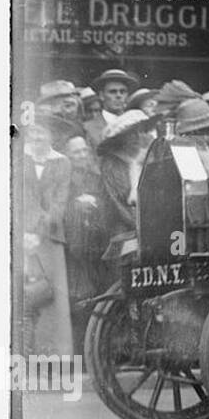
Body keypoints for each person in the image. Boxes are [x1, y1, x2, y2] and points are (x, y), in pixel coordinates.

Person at [19, 118, 73, 358]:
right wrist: (27, 230)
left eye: (43, 133)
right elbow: (21, 195)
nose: (38, 138)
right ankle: (25, 354)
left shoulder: (62, 162)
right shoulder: (19, 159)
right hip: (21, 233)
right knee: (26, 293)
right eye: (34, 132)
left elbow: (61, 199)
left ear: (52, 136)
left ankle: (54, 358)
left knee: (54, 297)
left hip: (51, 235)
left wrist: (42, 228)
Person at [61, 134, 109, 355]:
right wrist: (76, 206)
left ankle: (97, 352)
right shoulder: (63, 178)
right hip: (74, 248)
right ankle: (79, 355)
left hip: (96, 246)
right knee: (78, 298)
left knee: (99, 297)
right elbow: (58, 206)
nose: (81, 155)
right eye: (75, 152)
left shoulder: (96, 177)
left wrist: (95, 205)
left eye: (83, 151)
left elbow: (107, 206)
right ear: (67, 155)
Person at [96, 109, 158, 240]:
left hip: (151, 220)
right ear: (120, 139)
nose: (137, 137)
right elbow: (118, 203)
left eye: (139, 132)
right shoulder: (111, 163)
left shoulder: (146, 157)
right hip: (123, 224)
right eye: (130, 134)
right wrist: (140, 226)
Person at [35, 79, 85, 151]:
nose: (70, 110)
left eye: (69, 105)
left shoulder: (80, 127)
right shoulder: (41, 130)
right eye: (53, 105)